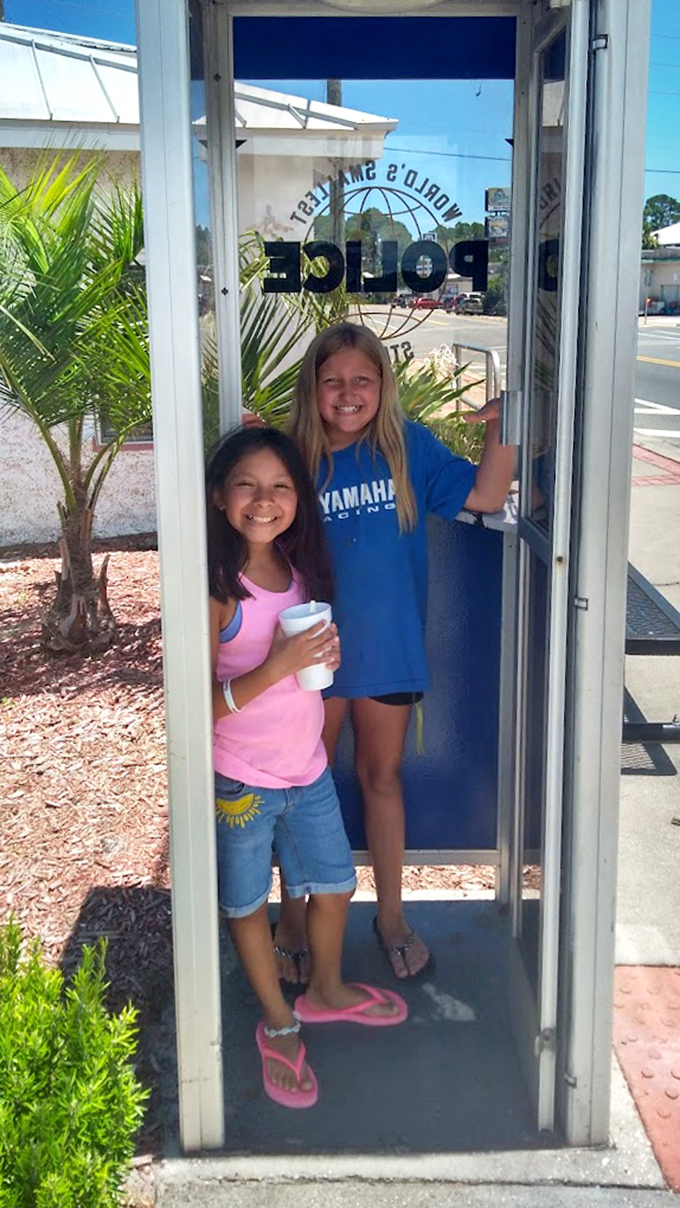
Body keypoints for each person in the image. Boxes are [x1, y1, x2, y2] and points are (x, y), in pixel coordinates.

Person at [271, 322, 516, 983]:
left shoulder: (407, 447)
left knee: (382, 779)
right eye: (333, 382)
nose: (347, 394)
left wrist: (504, 426)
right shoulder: (292, 454)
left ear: (382, 387)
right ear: (312, 389)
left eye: (362, 381)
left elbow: (487, 495)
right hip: (308, 652)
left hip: (387, 649)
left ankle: (390, 916)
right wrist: (248, 444)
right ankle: (292, 917)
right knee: (301, 787)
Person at [207, 425, 407, 1110]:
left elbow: (300, 668)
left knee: (334, 887)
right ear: (218, 497)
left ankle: (324, 989)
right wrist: (278, 668)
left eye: (280, 488)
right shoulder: (218, 590)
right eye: (247, 486)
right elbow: (196, 705)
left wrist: (320, 658)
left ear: (300, 500)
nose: (264, 501)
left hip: (307, 769)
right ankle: (280, 1020)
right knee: (246, 903)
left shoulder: (297, 574)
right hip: (241, 780)